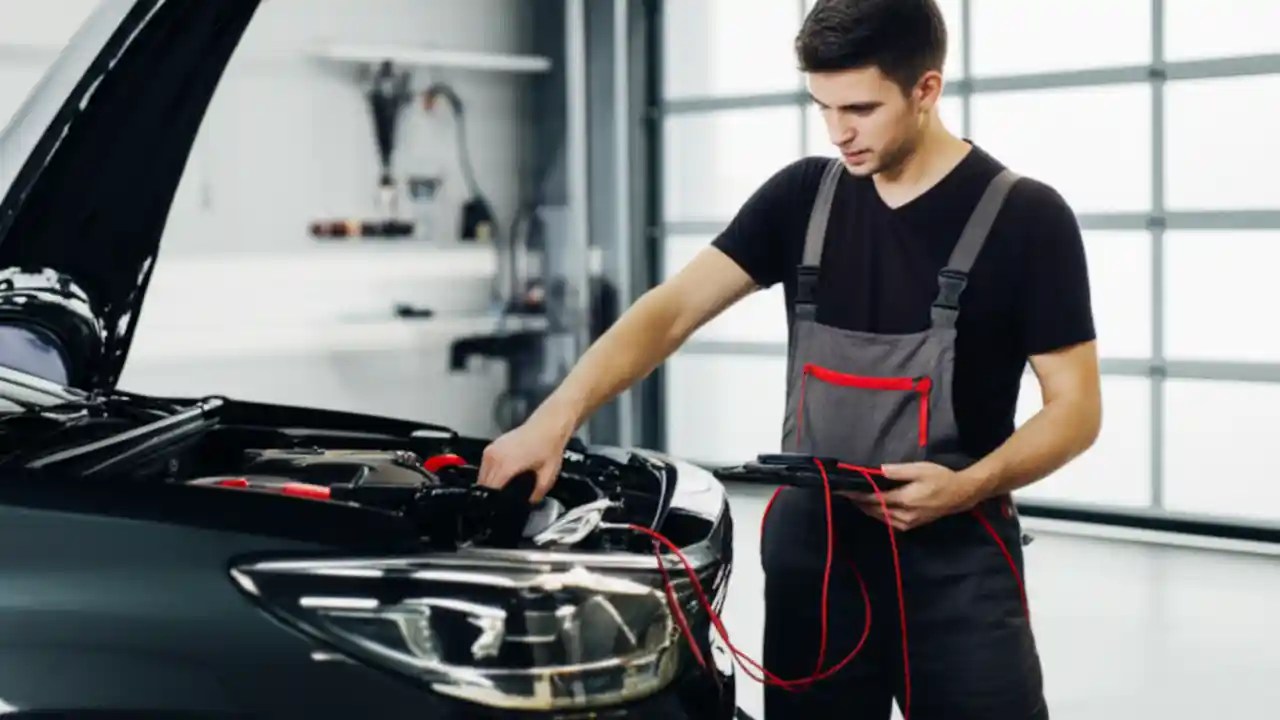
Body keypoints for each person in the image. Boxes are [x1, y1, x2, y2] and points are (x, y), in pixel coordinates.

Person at [477, 0, 1101, 717]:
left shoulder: (1026, 219)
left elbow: (1077, 409)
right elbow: (671, 309)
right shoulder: (804, 199)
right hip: (816, 561)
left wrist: (969, 485)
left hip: (955, 563)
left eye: (860, 108)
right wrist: (553, 420)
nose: (839, 132)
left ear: (926, 89)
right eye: (823, 106)